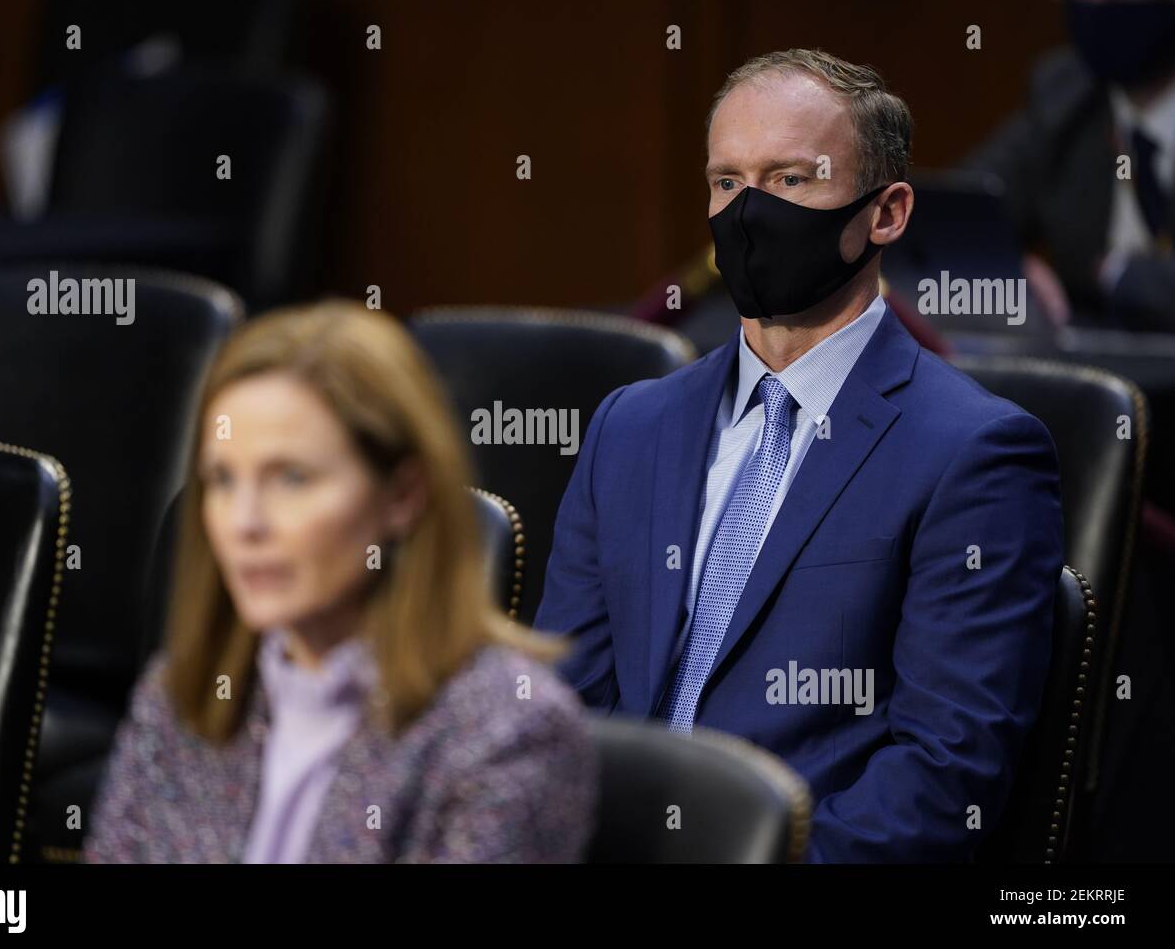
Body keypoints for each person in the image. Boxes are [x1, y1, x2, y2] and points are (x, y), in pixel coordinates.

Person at [536, 49, 1064, 862]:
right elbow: (565, 709)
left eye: (790, 180)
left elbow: (941, 781)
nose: (749, 212)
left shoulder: (977, 453)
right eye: (727, 183)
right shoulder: (628, 427)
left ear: (885, 213)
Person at [84, 299, 597, 863]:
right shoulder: (180, 696)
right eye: (222, 480)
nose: (244, 522)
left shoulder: (507, 730)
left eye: (292, 478)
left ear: (403, 496)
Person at [965, 0, 1175, 330]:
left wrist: (1117, 274)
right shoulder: (1069, 95)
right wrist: (1004, 267)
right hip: (1093, 366)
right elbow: (959, 207)